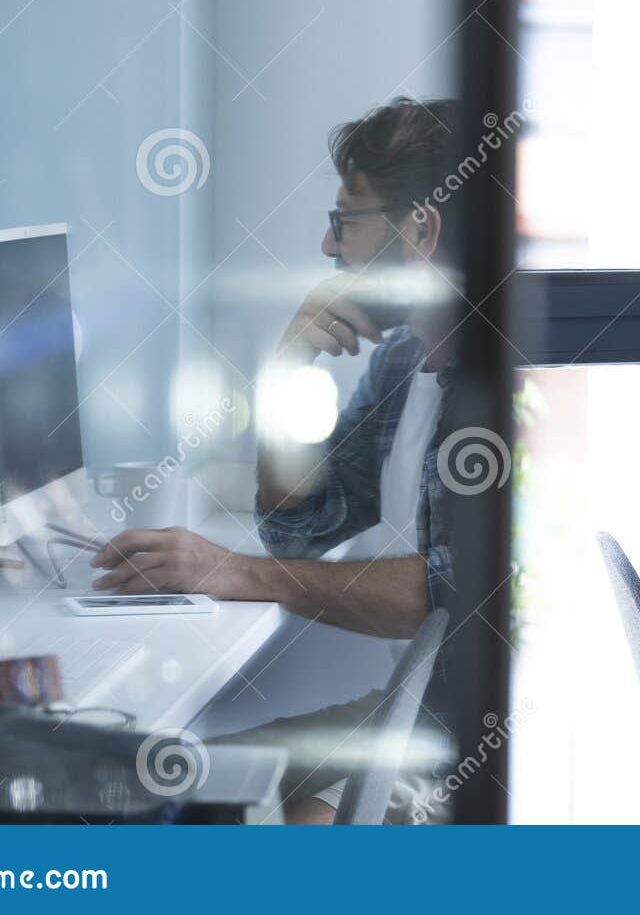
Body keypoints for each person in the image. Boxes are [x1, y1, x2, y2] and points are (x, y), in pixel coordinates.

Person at [90, 97, 462, 823]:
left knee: (173, 792)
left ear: (419, 230)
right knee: (181, 781)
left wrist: (228, 572)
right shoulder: (403, 363)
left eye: (345, 221)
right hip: (409, 716)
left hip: (470, 744)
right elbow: (301, 528)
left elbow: (449, 591)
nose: (329, 248)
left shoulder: (500, 384)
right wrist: (288, 365)